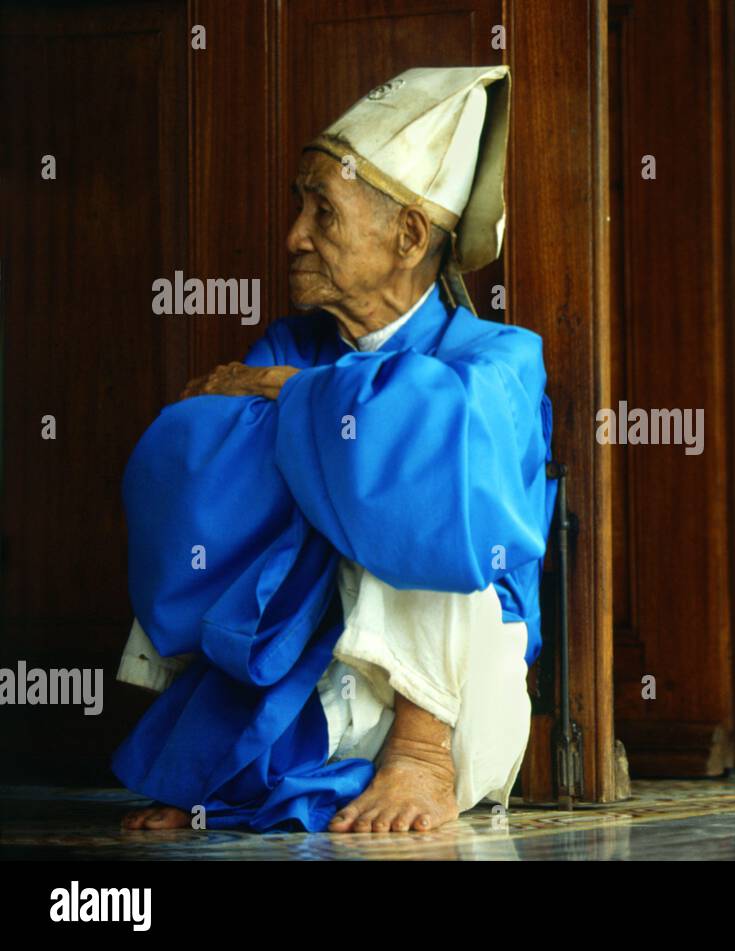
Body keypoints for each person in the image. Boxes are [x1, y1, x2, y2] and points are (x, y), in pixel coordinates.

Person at [114, 66, 557, 833]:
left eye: (323, 213)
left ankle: (417, 762)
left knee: (419, 467)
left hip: (454, 698)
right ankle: (218, 766)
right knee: (275, 454)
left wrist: (290, 399)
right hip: (301, 683)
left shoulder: (499, 359)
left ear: (409, 236)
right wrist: (315, 413)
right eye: (299, 207)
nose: (294, 236)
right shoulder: (294, 345)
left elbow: (433, 478)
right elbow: (192, 449)